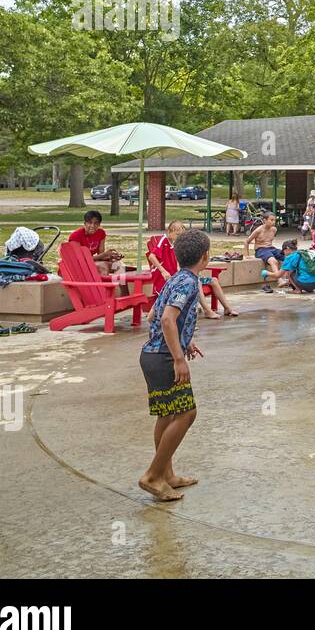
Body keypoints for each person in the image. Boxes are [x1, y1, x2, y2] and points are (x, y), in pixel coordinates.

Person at [138, 228, 209, 502]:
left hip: (152, 356)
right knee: (186, 414)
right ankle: (153, 476)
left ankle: (166, 474)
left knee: (167, 414)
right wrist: (178, 357)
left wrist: (185, 342)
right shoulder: (189, 283)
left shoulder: (175, 278)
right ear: (205, 257)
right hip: (164, 358)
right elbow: (167, 319)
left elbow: (153, 314)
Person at [148, 219, 237, 318]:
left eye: (181, 235)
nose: (179, 238)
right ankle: (207, 311)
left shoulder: (178, 245)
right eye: (177, 235)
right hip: (167, 280)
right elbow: (152, 256)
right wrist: (163, 271)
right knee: (196, 282)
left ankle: (227, 308)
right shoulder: (163, 241)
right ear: (169, 232)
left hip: (181, 278)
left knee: (214, 280)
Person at [69, 210, 126, 276]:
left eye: (96, 223)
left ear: (99, 224)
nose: (92, 226)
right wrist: (104, 254)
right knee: (103, 267)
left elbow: (100, 255)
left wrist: (110, 257)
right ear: (85, 223)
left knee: (119, 266)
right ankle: (103, 286)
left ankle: (117, 285)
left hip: (91, 261)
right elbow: (81, 259)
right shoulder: (76, 235)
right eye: (90, 223)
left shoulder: (101, 233)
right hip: (78, 264)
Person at [245, 212, 284, 290]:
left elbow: (269, 242)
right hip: (261, 250)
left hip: (271, 248)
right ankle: (279, 280)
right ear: (265, 220)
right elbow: (246, 241)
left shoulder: (274, 229)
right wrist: (246, 255)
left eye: (274, 220)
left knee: (288, 257)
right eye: (271, 220)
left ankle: (293, 279)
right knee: (273, 261)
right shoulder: (258, 230)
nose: (273, 222)